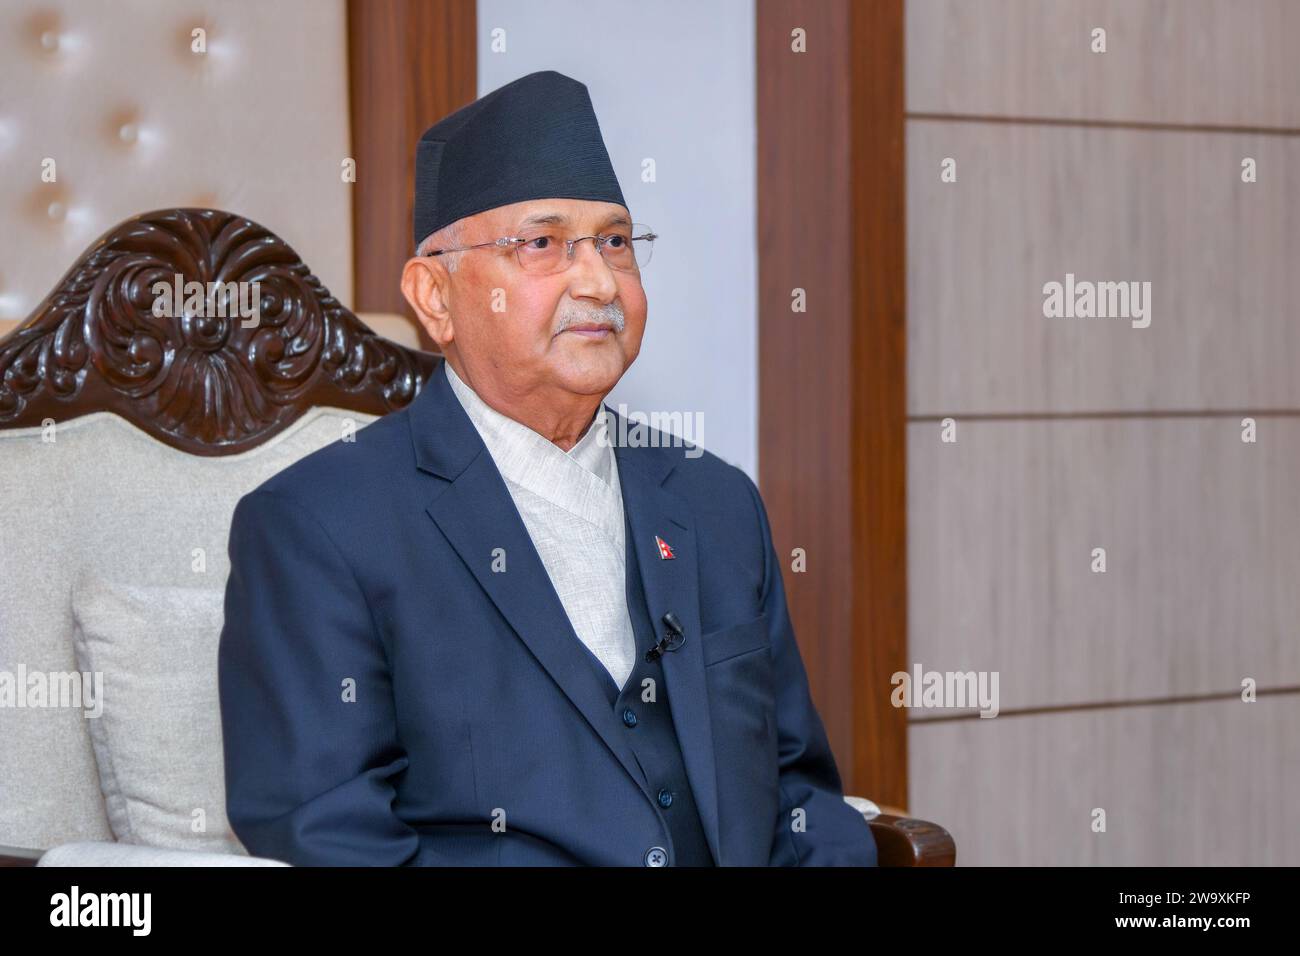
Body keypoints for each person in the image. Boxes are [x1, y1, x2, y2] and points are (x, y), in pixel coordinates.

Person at [217, 70, 876, 866]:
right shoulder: (317, 526)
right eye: (542, 243)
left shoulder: (715, 501)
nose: (599, 282)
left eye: (616, 243)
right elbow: (329, 837)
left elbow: (798, 791)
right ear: (435, 296)